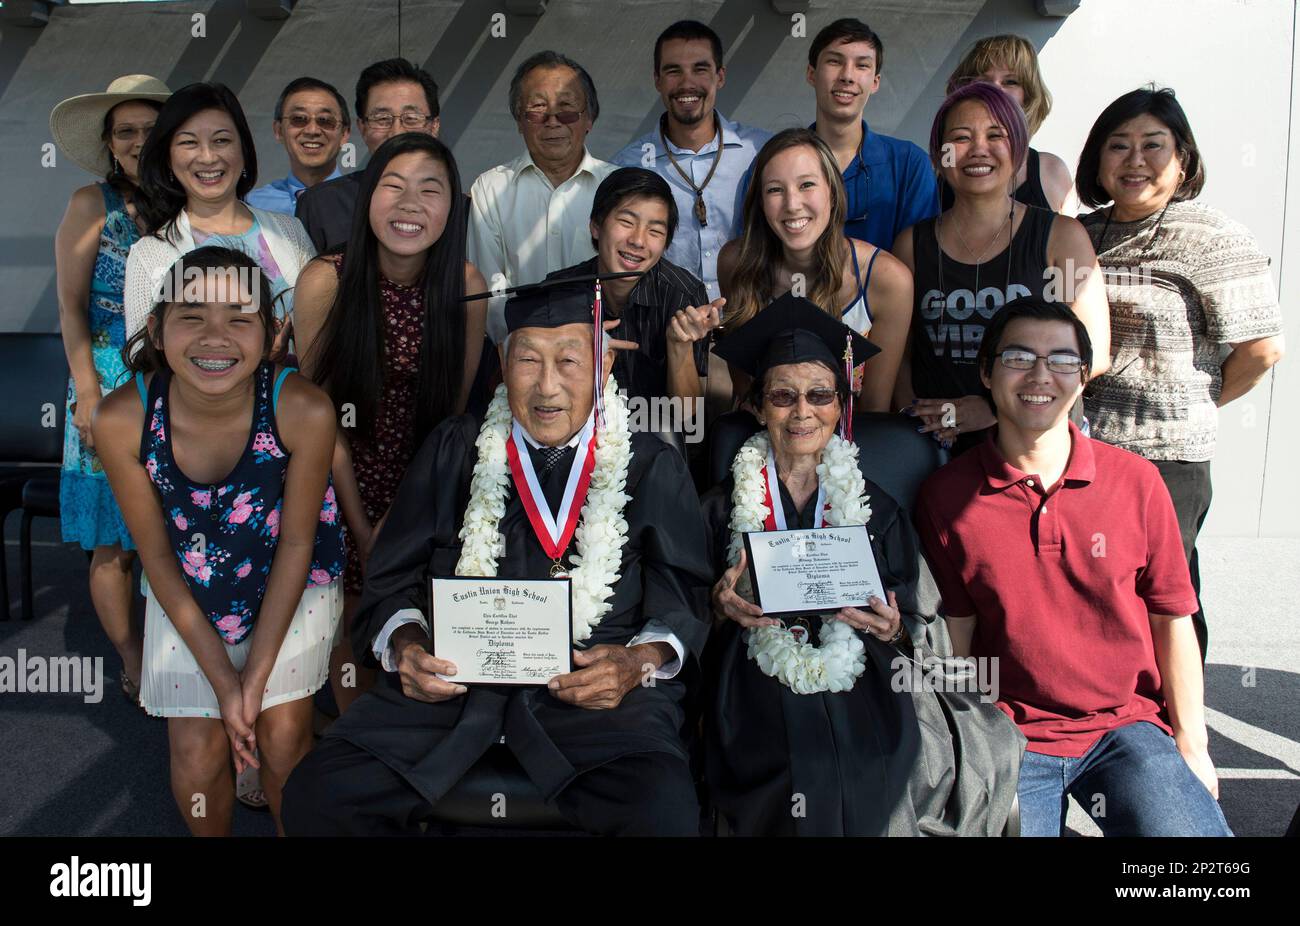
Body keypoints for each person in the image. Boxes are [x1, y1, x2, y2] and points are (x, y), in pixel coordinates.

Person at [280, 280, 713, 836]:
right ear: (503, 366)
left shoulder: (650, 462)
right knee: (318, 795)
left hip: (594, 697)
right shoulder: (455, 448)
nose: (547, 385)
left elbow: (682, 598)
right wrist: (408, 649)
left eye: (570, 361)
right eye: (528, 360)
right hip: (452, 690)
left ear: (605, 369)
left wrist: (638, 663)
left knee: (664, 809)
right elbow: (391, 578)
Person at [703, 293, 1022, 835]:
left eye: (819, 395)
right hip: (754, 671)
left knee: (885, 766)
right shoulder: (717, 506)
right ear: (757, 407)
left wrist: (896, 626)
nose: (802, 411)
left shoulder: (876, 505)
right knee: (796, 770)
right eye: (782, 396)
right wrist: (716, 606)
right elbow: (683, 603)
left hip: (864, 668)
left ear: (840, 405)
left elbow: (919, 612)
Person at [914, 296, 1232, 837]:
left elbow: (1172, 619)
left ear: (1082, 379)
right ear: (987, 374)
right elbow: (958, 638)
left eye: (1061, 361)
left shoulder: (1137, 482)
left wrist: (1192, 744)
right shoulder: (947, 497)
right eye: (1019, 357)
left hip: (1126, 726)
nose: (1041, 375)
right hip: (1012, 731)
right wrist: (964, 749)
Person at [93, 247, 346, 835]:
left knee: (283, 742)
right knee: (197, 752)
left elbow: (295, 547)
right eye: (191, 317)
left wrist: (250, 684)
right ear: (155, 328)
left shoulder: (302, 409)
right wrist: (224, 686)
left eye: (239, 317)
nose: (216, 338)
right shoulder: (122, 418)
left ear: (270, 330)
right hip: (187, 581)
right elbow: (154, 556)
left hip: (287, 578)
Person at [1076, 87, 1284, 658]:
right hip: (1087, 448)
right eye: (1118, 146)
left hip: (1168, 457)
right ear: (1097, 159)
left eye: (1153, 146)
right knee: (1097, 590)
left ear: (1183, 159)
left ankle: (1180, 725)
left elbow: (1261, 350)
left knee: (1165, 596)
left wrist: (1194, 400)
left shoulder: (1214, 238)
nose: (1135, 160)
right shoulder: (1080, 234)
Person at [293, 132, 488, 714]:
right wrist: (363, 526)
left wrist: (404, 519)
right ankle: (355, 740)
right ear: (366, 196)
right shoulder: (326, 279)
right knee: (352, 618)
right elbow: (317, 420)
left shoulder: (464, 285)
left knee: (420, 625)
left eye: (430, 190)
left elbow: (452, 415)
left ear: (451, 209)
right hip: (338, 473)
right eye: (392, 186)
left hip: (424, 480)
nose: (410, 205)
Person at [892, 81, 1110, 455]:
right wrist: (917, 420)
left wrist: (993, 408)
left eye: (996, 135)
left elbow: (1096, 354)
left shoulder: (1061, 237)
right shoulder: (911, 244)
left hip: (1030, 446)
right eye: (961, 137)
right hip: (933, 448)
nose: (978, 149)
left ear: (1019, 149)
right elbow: (899, 356)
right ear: (939, 156)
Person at [50, 74, 171, 705]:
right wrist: (88, 394)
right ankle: (132, 658)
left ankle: (178, 648)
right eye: (126, 130)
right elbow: (71, 310)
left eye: (151, 128)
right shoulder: (88, 203)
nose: (139, 140)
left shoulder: (189, 201)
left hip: (179, 384)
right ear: (109, 141)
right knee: (112, 539)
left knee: (176, 527)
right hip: (108, 379)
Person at [718, 128, 913, 412]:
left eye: (806, 185)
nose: (792, 204)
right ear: (760, 203)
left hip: (851, 444)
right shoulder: (736, 263)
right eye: (775, 189)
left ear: (833, 192)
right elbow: (746, 395)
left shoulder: (887, 280)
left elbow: (875, 408)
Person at [123, 82, 316, 353]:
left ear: (243, 150)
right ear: (168, 157)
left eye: (221, 140)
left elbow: (322, 334)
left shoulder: (290, 231)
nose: (208, 157)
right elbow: (143, 362)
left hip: (289, 393)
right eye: (189, 142)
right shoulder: (149, 254)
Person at [609, 20, 772, 301]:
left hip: (749, 326)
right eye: (673, 71)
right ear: (657, 80)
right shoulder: (628, 165)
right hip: (666, 330)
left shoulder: (761, 151)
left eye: (700, 69)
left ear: (720, 76)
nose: (687, 83)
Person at [468, 51, 617, 344]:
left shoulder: (618, 187)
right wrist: (529, 345)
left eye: (567, 110)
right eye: (537, 109)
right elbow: (489, 290)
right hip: (515, 354)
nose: (553, 122)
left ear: (589, 118)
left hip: (605, 352)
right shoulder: (490, 188)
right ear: (519, 121)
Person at [545, 167, 721, 408]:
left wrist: (678, 346)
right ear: (596, 225)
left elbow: (690, 425)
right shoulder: (556, 294)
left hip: (658, 439)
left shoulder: (684, 294)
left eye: (655, 231)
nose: (638, 240)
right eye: (627, 222)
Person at [295, 58, 442, 254]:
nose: (397, 132)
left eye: (411, 119)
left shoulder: (464, 208)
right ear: (362, 128)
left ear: (434, 126)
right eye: (382, 119)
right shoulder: (321, 204)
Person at [943, 35, 1072, 212]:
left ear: (1028, 95)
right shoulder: (942, 160)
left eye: (1010, 82)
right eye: (984, 81)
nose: (996, 89)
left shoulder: (1052, 170)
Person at [245, 77, 351, 216]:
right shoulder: (252, 206)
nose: (312, 130)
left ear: (344, 134)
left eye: (324, 120)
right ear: (278, 130)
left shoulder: (365, 202)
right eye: (299, 119)